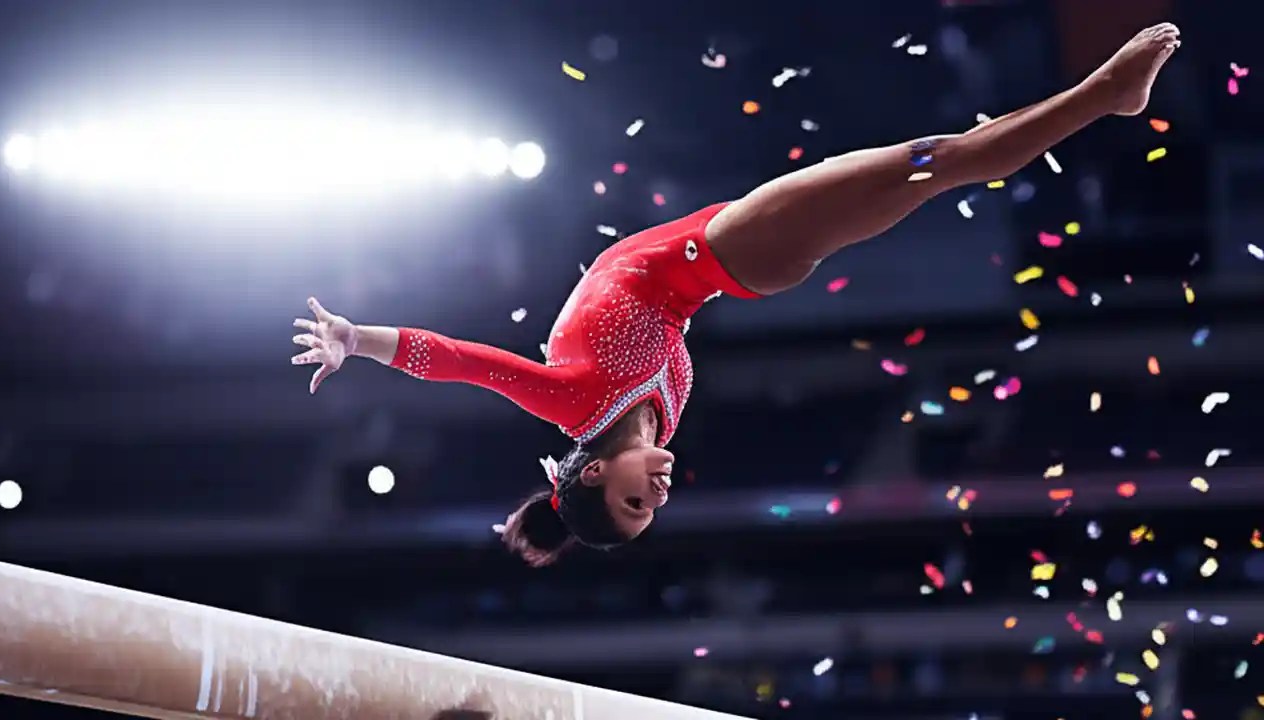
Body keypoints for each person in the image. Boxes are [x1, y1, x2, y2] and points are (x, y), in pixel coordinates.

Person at [292, 25, 1181, 566]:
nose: (662, 495)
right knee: (936, 162)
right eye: (657, 511)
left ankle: (1103, 96)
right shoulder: (658, 423)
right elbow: (655, 314)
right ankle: (1105, 96)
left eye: (638, 502)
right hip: (735, 255)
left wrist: (356, 338)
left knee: (935, 163)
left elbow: (464, 365)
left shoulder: (573, 402)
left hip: (726, 249)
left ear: (594, 474)